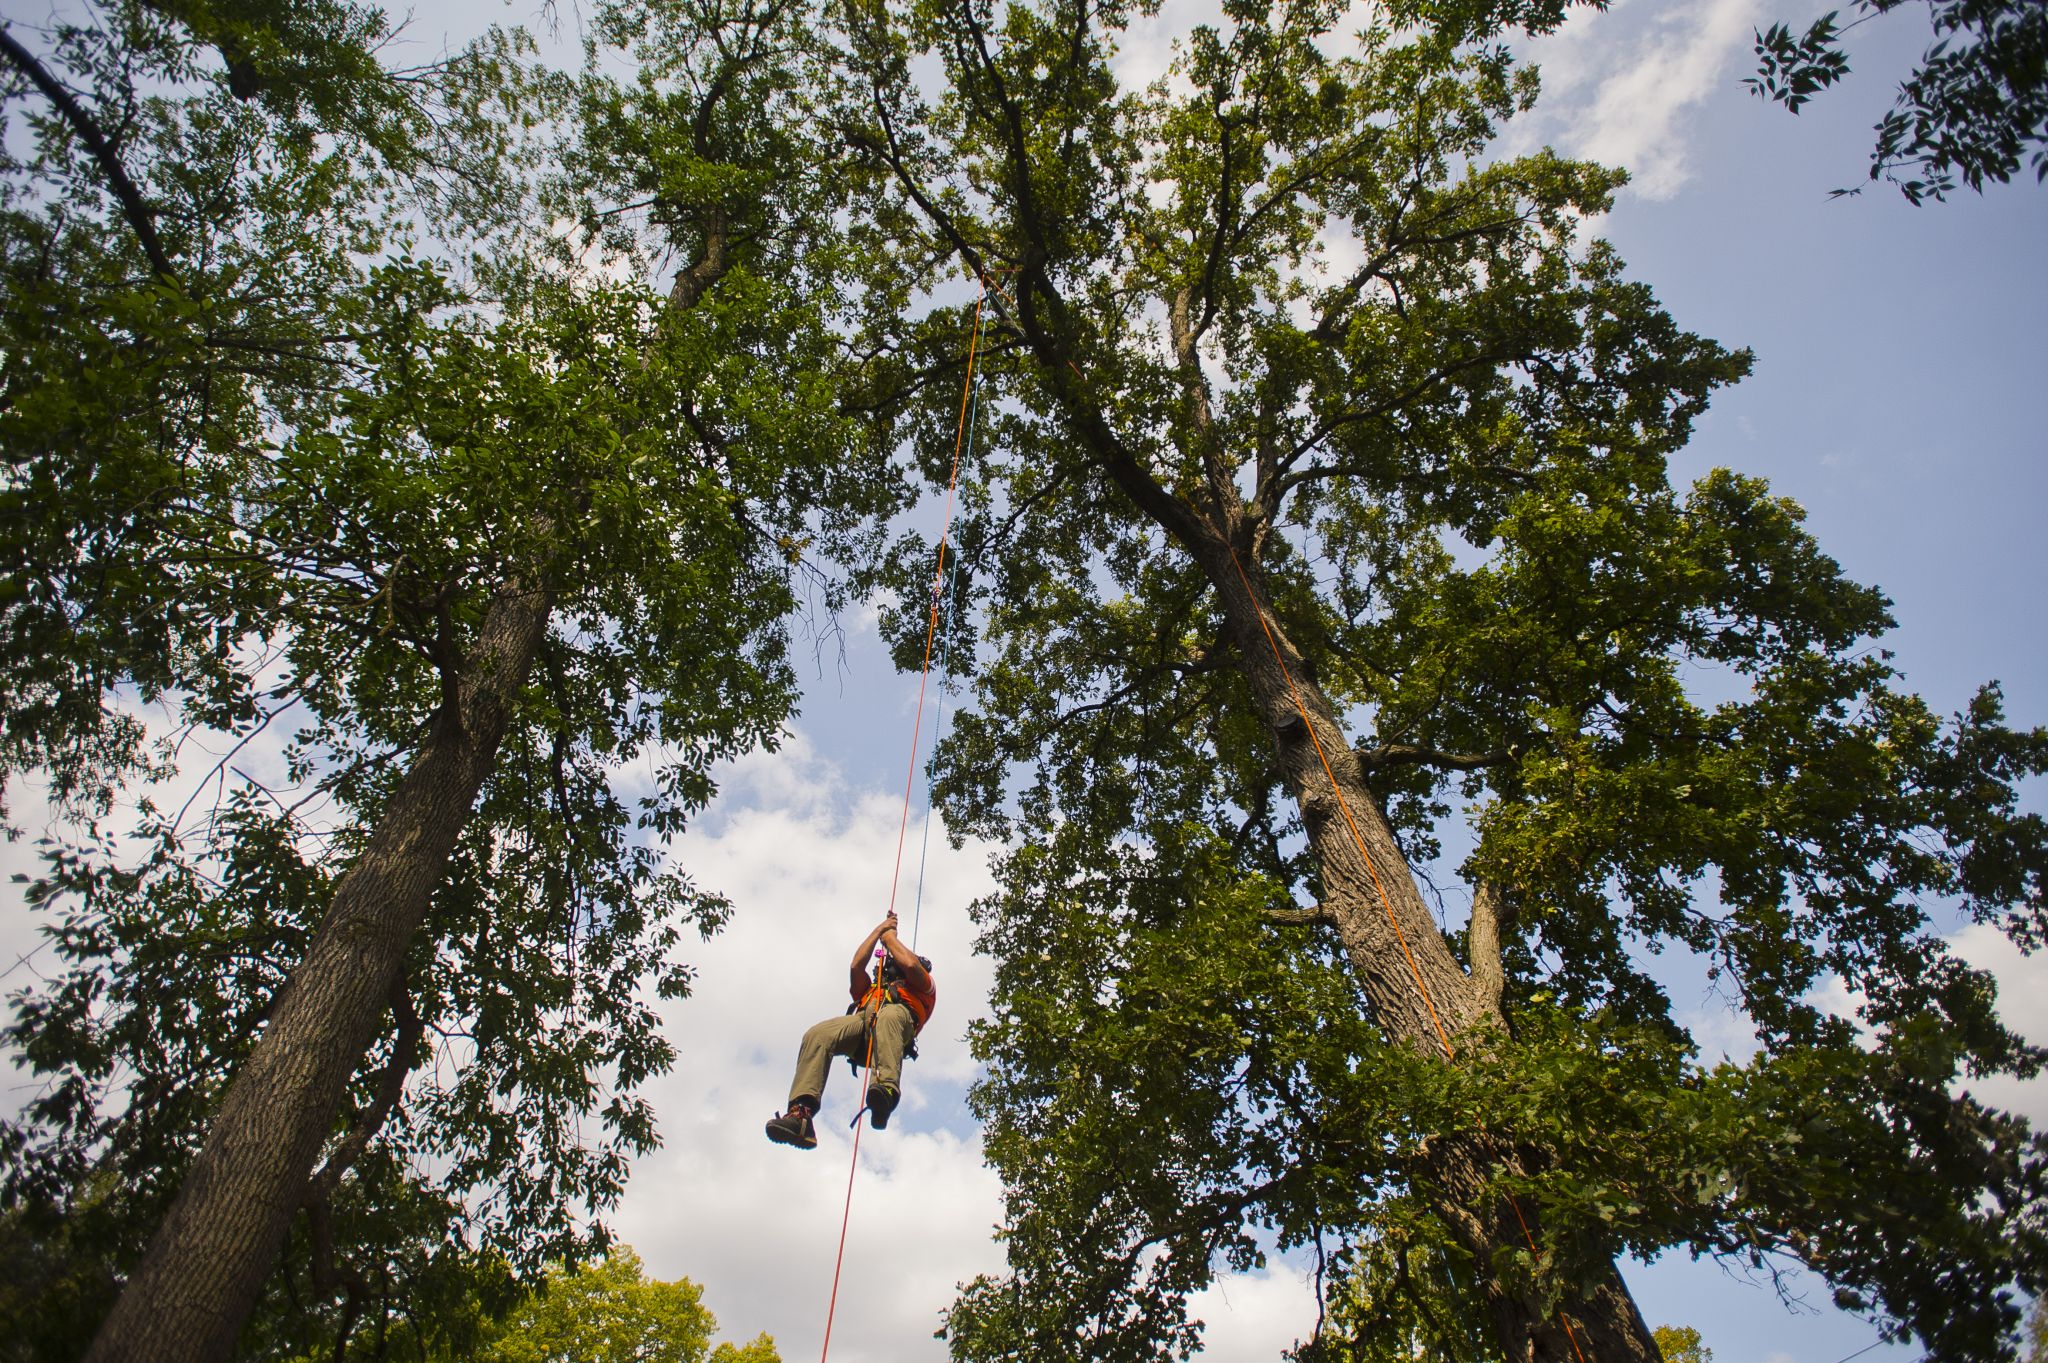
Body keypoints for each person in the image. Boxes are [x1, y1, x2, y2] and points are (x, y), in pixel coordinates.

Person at [764, 911, 936, 1150]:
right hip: (863, 1032)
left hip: (893, 1030)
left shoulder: (923, 986)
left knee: (887, 1015)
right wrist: (879, 931)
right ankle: (801, 1115)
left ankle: (886, 1090)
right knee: (818, 1035)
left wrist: (889, 938)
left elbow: (909, 964)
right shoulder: (872, 989)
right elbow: (856, 966)